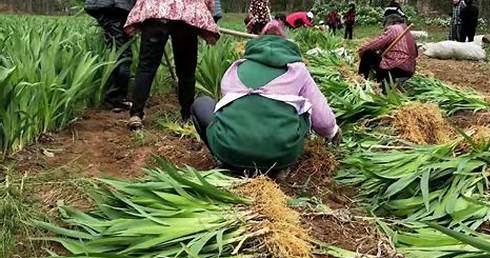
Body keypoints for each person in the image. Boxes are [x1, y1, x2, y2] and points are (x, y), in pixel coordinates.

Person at [191, 20, 341, 173]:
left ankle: (224, 160)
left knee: (202, 103)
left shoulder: (236, 68)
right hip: (280, 158)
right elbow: (323, 122)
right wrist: (333, 132)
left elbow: (226, 111)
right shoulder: (298, 70)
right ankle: (279, 167)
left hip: (230, 153)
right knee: (306, 109)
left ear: (256, 44)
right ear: (286, 45)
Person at [124, 0, 219, 130]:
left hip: (155, 12)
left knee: (146, 67)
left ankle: (136, 114)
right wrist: (209, 12)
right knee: (186, 70)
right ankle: (187, 116)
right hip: (187, 14)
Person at [84, 0, 135, 112]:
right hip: (116, 9)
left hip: (106, 8)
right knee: (123, 56)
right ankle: (116, 99)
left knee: (116, 53)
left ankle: (114, 97)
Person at [358, 15, 418, 87]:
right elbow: (416, 53)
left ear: (390, 23)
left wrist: (362, 50)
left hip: (396, 67)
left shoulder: (394, 28)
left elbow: (377, 43)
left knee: (367, 52)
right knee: (377, 58)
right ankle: (383, 80)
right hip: (409, 71)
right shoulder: (407, 32)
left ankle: (361, 80)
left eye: (385, 27)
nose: (385, 30)